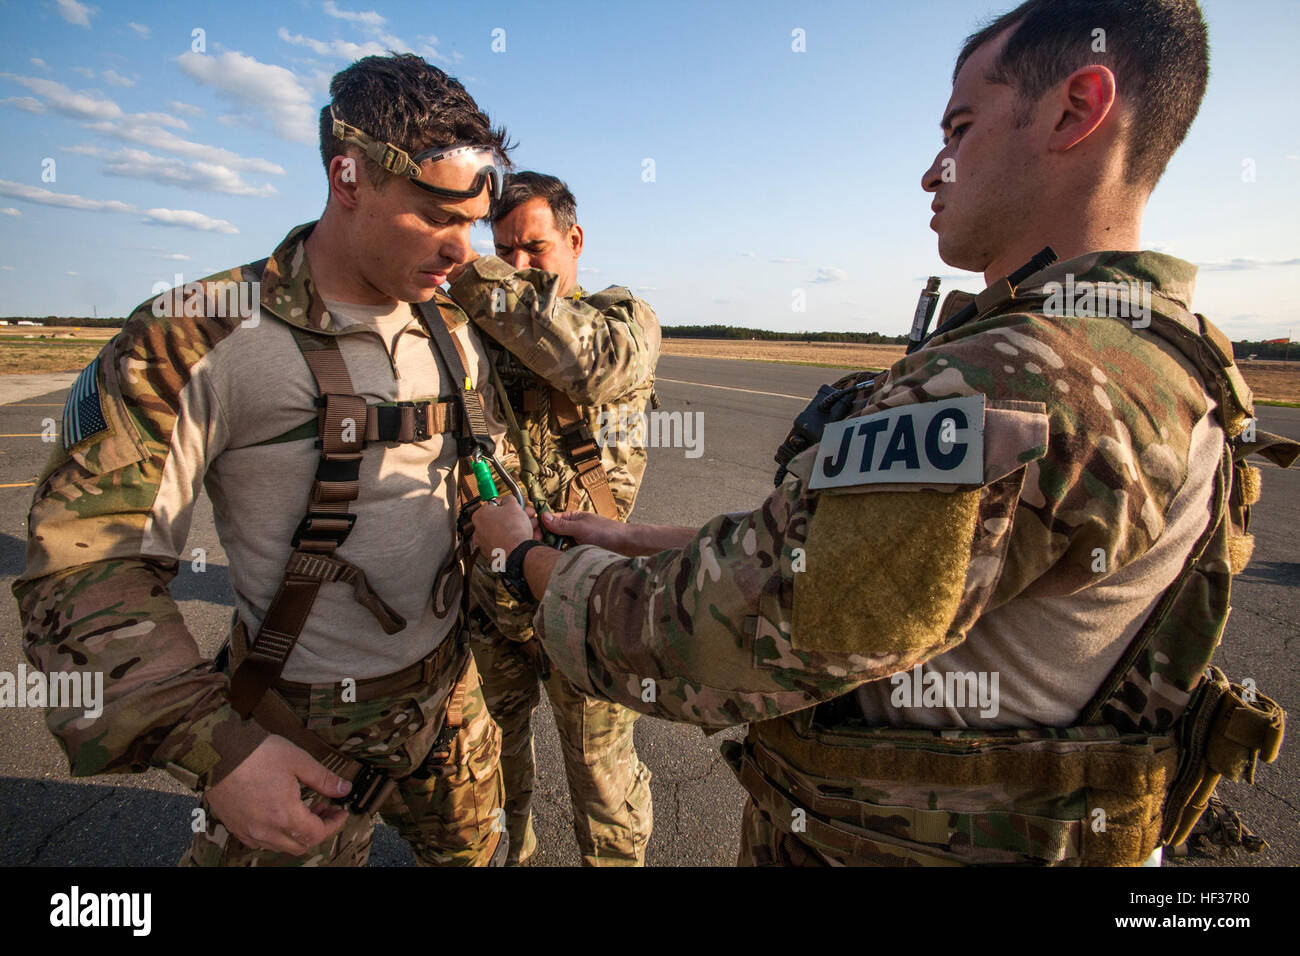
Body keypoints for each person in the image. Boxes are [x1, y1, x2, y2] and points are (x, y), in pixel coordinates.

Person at [471, 0, 1295, 866]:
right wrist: (640, 538)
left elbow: (753, 635)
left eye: (962, 127)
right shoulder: (1155, 350)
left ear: (1076, 108)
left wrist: (532, 565)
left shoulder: (1014, 377)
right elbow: (900, 576)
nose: (934, 171)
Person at [14, 54, 529, 867]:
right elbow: (81, 567)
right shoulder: (199, 335)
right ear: (347, 177)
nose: (462, 249)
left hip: (448, 705)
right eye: (436, 215)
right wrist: (218, 749)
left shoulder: (446, 320)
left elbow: (481, 467)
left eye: (471, 220)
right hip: (298, 729)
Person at [446, 172, 660, 865]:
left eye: (533, 249)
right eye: (502, 251)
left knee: (603, 779)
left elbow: (587, 366)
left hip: (583, 591)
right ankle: (514, 852)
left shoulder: (623, 321)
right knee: (494, 757)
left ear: (574, 240)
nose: (518, 268)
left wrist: (468, 270)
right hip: (495, 591)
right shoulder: (476, 333)